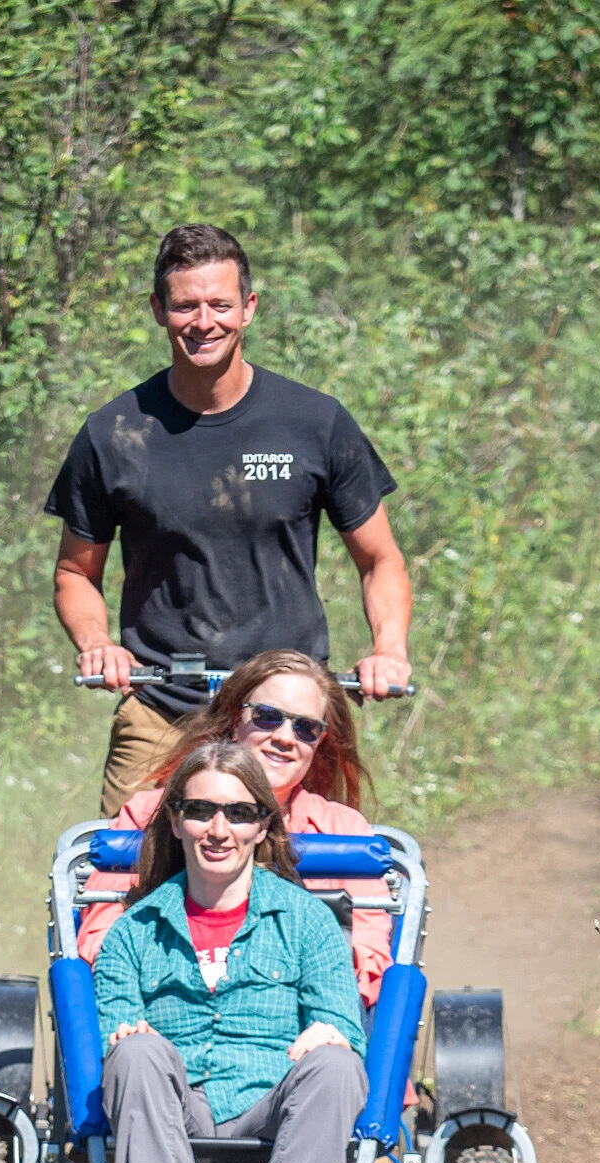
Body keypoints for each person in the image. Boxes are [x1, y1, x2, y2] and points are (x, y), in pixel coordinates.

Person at [48, 221, 413, 812]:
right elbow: (75, 572)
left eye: (220, 304)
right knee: (118, 876)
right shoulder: (113, 433)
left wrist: (389, 648)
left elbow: (380, 560)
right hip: (163, 705)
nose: (203, 321)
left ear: (248, 308)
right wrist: (98, 644)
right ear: (158, 310)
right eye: (186, 306)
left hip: (289, 714)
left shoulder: (314, 423)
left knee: (316, 874)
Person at [94, 742, 367, 1163]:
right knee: (134, 1054)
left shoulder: (308, 920)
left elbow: (345, 1028)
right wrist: (126, 1037)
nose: (219, 830)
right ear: (178, 822)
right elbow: (113, 1033)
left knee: (337, 1064)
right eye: (202, 810)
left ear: (262, 826)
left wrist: (331, 1033)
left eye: (240, 813)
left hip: (274, 1101)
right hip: (174, 1107)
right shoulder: (132, 931)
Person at [77, 649, 394, 1002]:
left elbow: (370, 961)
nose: (286, 738)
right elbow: (99, 939)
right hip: (165, 1003)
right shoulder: (149, 813)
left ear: (320, 741)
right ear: (233, 719)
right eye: (268, 717)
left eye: (306, 728)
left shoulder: (343, 831)